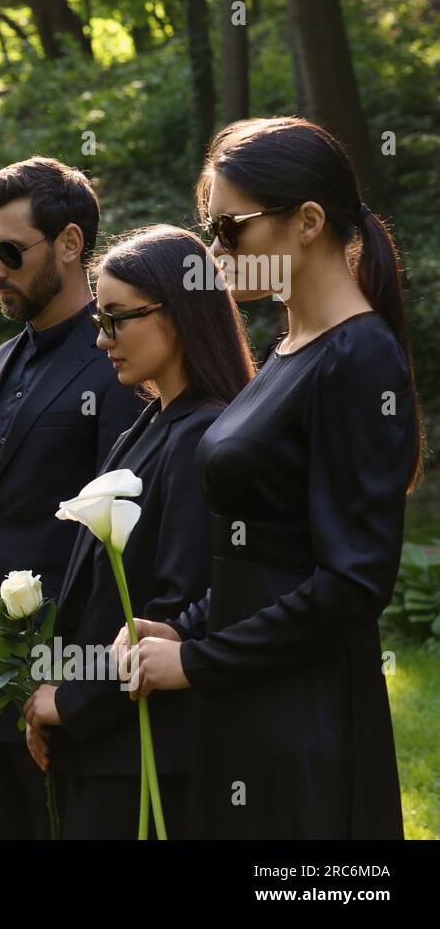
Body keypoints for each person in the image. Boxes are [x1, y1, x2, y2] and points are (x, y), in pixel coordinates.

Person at [114, 116, 422, 838]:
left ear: (308, 221)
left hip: (303, 722)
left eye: (231, 229)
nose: (215, 252)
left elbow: (351, 583)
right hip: (247, 704)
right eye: (209, 230)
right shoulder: (286, 351)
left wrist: (196, 659)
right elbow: (265, 555)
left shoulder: (359, 357)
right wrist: (180, 628)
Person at [20, 225, 255, 838]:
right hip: (111, 747)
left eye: (118, 319)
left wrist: (69, 703)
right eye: (100, 319)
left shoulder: (203, 436)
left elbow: (174, 616)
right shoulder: (151, 423)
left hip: (149, 756)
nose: (102, 339)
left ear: (178, 313)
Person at [0, 157, 145, 838]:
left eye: (8, 251)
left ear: (70, 244)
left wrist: (74, 691)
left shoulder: (118, 362)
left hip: (65, 691)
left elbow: (117, 542)